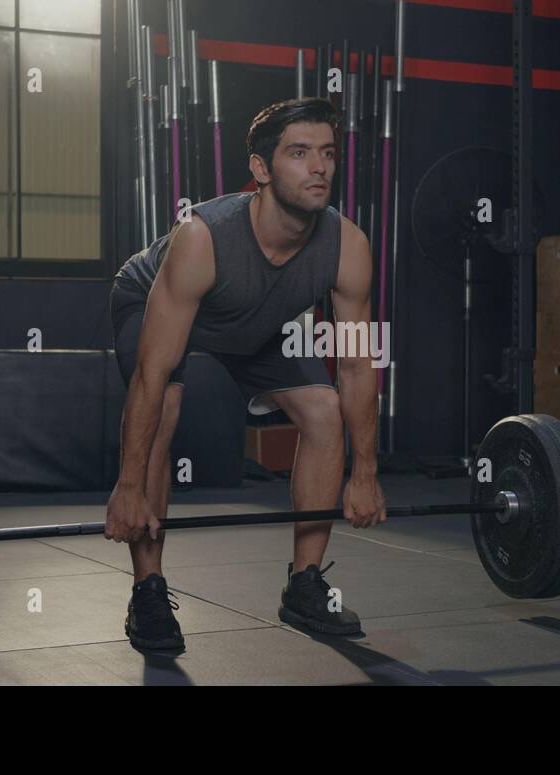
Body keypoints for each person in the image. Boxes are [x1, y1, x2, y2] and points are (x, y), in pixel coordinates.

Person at [107, 98, 386, 650]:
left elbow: (356, 366)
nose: (320, 167)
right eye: (300, 153)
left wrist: (367, 473)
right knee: (166, 405)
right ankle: (148, 589)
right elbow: (152, 377)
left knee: (325, 410)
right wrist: (130, 485)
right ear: (261, 169)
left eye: (328, 153)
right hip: (155, 301)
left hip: (258, 321)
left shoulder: (348, 245)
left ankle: (304, 586)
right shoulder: (202, 237)